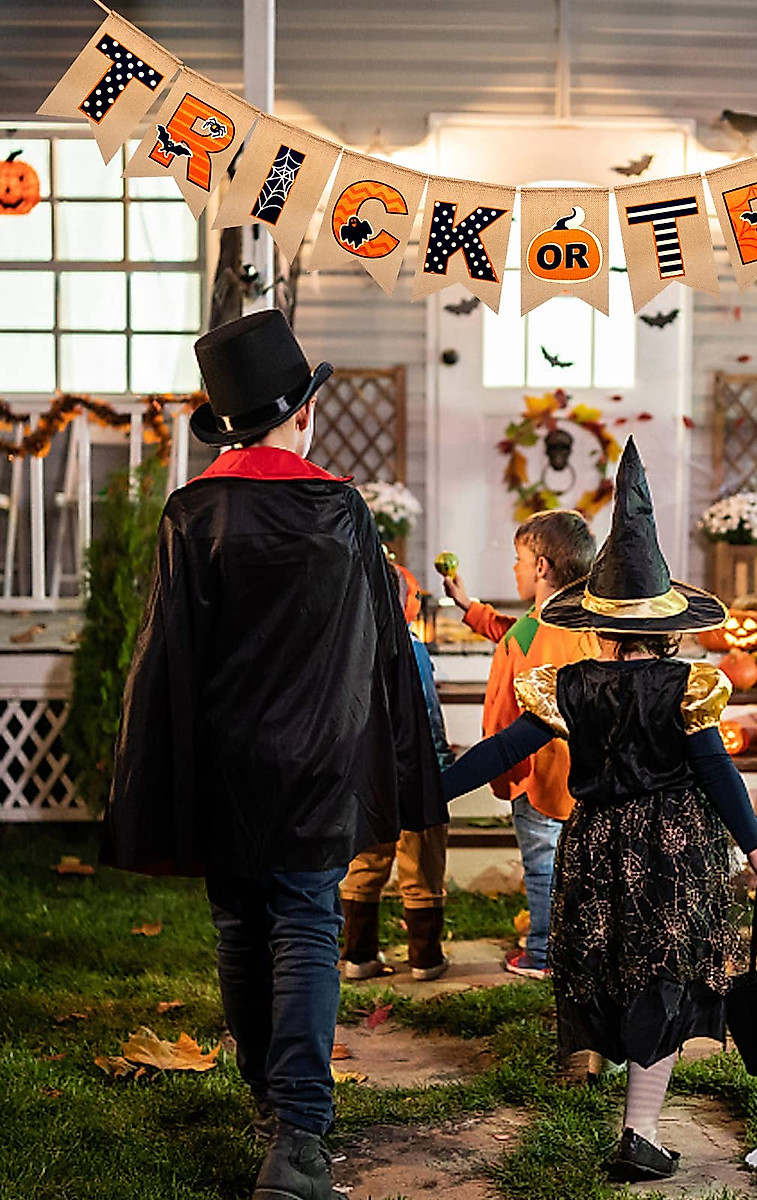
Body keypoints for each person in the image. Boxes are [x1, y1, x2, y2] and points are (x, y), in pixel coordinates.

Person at [103, 310, 446, 1200]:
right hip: (319, 764)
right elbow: (381, 644)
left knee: (238, 924)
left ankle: (269, 1106)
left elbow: (167, 653)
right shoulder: (337, 510)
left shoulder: (191, 513)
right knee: (304, 923)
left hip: (224, 759)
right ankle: (296, 1136)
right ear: (301, 414)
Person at [442, 439, 757, 1182]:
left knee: (604, 967)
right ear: (668, 627)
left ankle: (604, 1080)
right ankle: (640, 1128)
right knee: (662, 973)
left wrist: (427, 792)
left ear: (597, 627)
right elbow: (717, 772)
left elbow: (501, 750)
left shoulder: (568, 687)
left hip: (595, 843)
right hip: (673, 849)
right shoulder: (686, 687)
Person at [443, 509, 599, 979]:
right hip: (573, 772)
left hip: (535, 771)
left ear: (542, 568)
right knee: (569, 863)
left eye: (518, 559)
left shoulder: (536, 635)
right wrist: (469, 607)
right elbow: (513, 631)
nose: (514, 568)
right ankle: (572, 943)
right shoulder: (569, 624)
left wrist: (504, 767)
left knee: (541, 863)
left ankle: (543, 953)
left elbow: (521, 700)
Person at [342, 565, 456, 982]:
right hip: (415, 776)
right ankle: (425, 958)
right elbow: (426, 713)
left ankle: (358, 954)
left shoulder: (349, 648)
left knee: (364, 862)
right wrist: (442, 760)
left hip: (366, 777)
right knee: (422, 865)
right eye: (412, 596)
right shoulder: (412, 649)